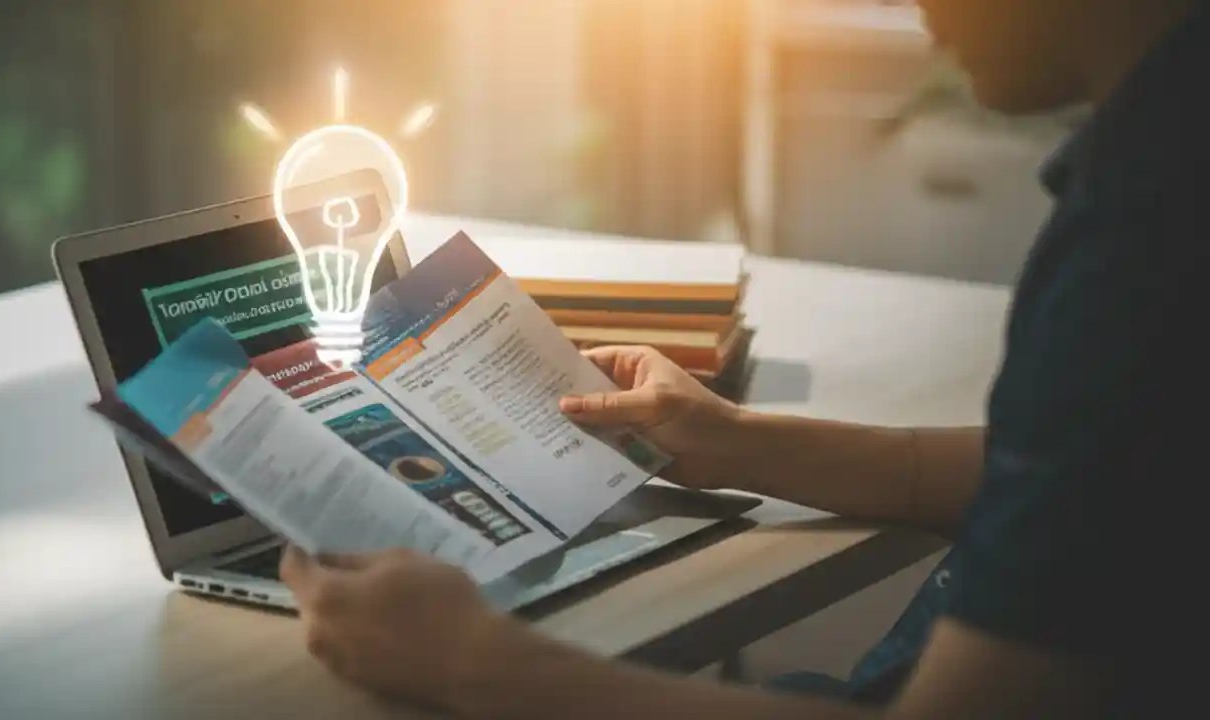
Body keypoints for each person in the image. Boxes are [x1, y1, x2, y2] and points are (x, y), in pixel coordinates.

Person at [280, 0, 1210, 716]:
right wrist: (736, 443)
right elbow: (1093, 479)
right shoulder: (1162, 162)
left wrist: (474, 665)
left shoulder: (1150, 243)